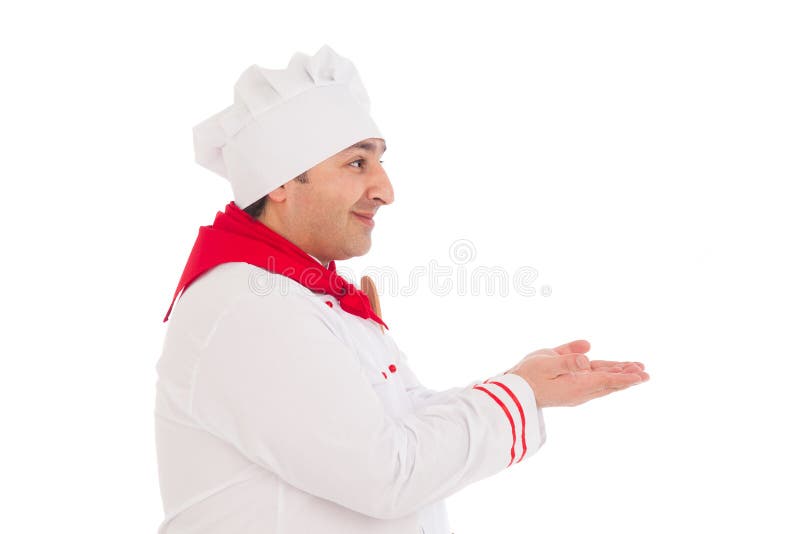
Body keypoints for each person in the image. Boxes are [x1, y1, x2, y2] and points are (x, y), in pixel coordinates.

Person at [154, 44, 649, 534]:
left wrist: (525, 383)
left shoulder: (305, 297)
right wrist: (520, 393)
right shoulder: (249, 308)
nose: (385, 190)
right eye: (356, 163)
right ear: (281, 182)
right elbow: (388, 474)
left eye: (380, 162)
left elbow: (405, 424)